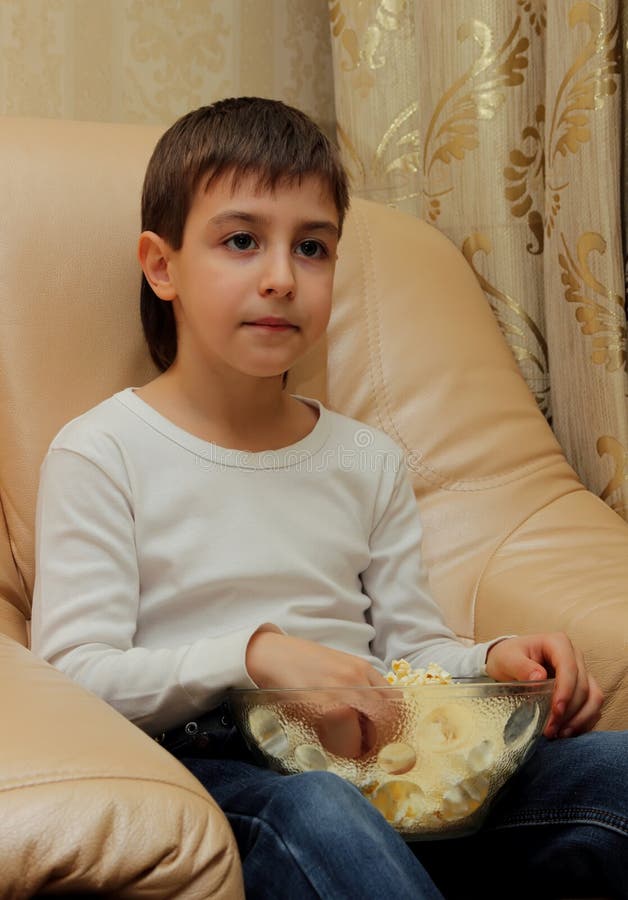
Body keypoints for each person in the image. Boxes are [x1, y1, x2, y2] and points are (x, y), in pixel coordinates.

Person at [31, 97, 627, 899]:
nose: (281, 277)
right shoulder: (102, 451)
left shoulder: (365, 458)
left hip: (385, 755)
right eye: (241, 241)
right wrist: (256, 656)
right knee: (319, 809)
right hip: (221, 771)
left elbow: (408, 650)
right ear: (161, 264)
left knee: (613, 769)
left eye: (312, 248)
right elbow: (75, 676)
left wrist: (492, 661)